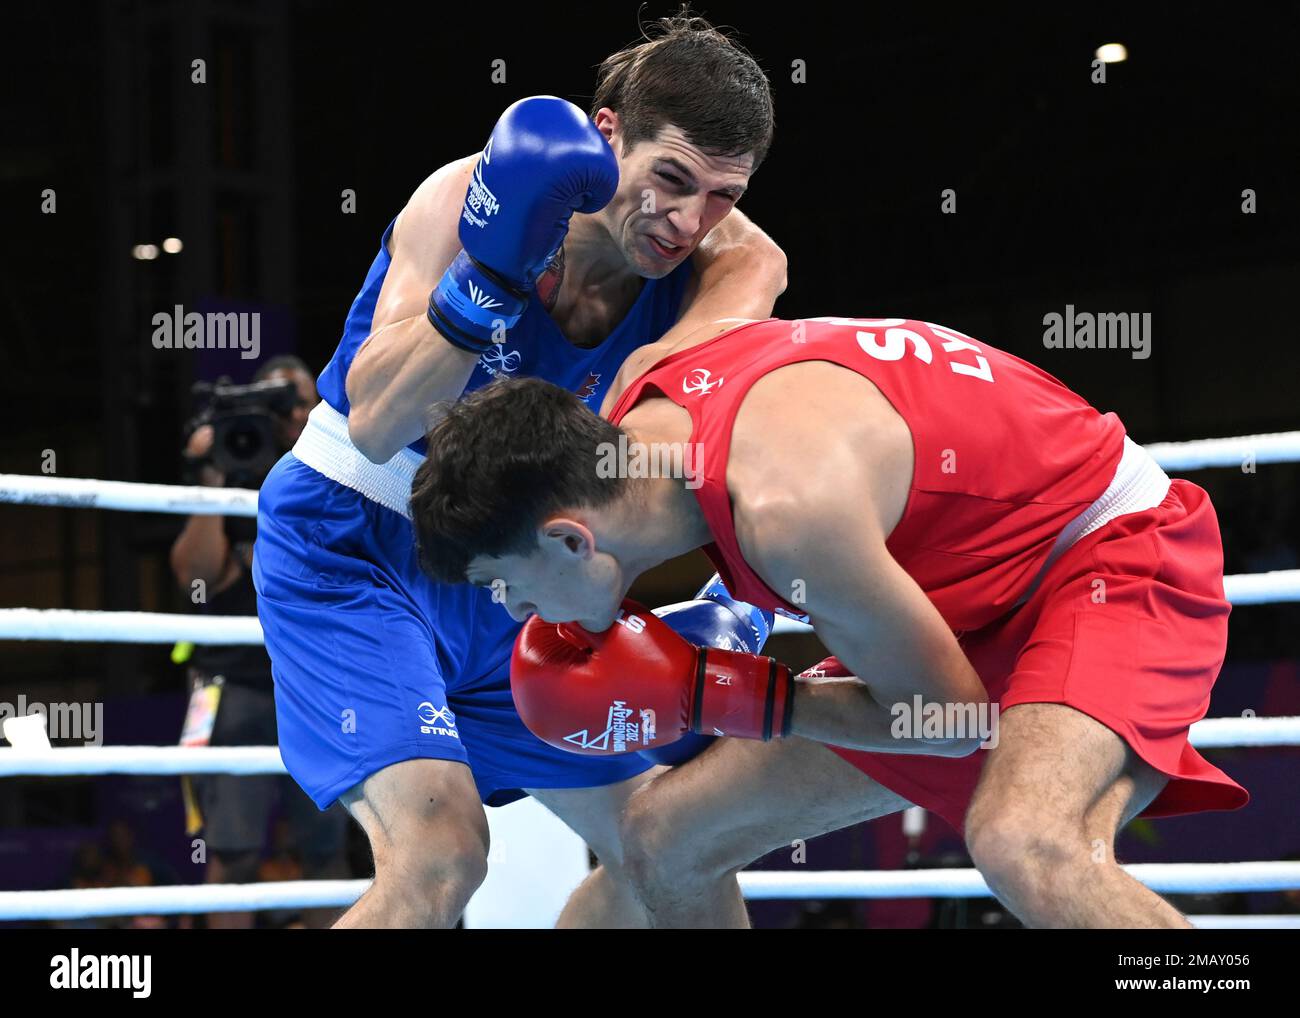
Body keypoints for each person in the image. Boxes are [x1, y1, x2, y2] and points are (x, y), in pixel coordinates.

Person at [410, 314, 1249, 928]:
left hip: (1101, 557)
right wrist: (721, 620)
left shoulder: (790, 513)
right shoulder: (650, 392)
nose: (515, 613)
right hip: (956, 594)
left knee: (1027, 839)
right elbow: (747, 257)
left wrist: (721, 692)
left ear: (567, 538)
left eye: (504, 585)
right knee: (663, 838)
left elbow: (949, 721)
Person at [253, 14, 787, 927]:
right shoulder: (464, 196)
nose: (688, 221)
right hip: (356, 545)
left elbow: (655, 437)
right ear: (606, 133)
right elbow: (379, 422)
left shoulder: (737, 266)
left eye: (721, 195)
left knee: (677, 845)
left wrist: (739, 597)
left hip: (520, 576)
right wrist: (486, 285)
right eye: (671, 178)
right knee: (441, 859)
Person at [172, 355, 350, 929]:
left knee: (327, 850)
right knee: (232, 854)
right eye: (280, 405)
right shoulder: (231, 471)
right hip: (235, 684)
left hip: (314, 683)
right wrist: (212, 478)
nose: (292, 416)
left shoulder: (340, 463)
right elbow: (195, 578)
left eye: (298, 402)